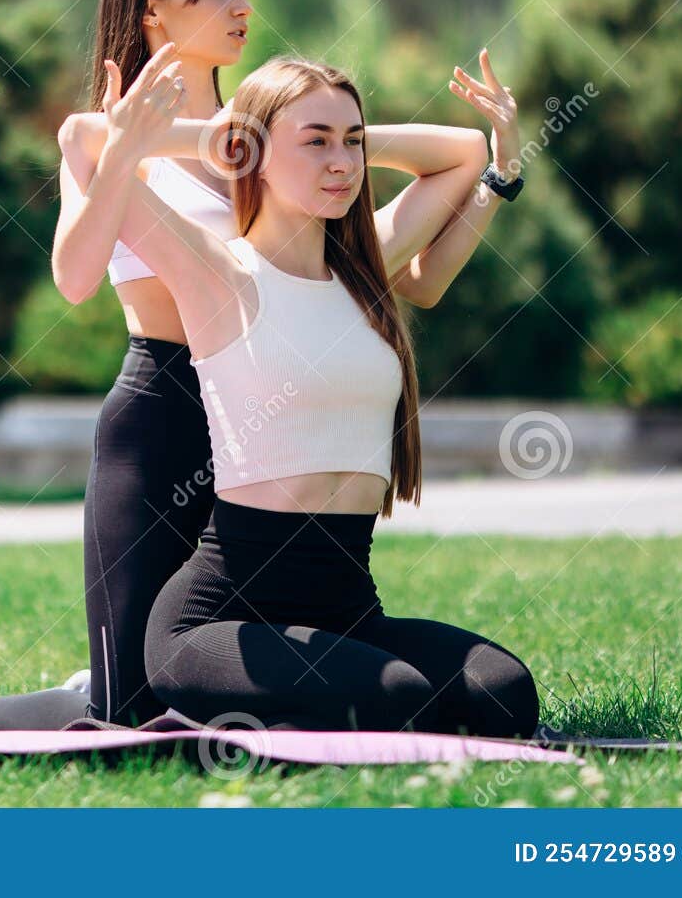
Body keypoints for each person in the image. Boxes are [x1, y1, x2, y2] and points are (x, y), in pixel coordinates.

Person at [0, 0, 523, 735]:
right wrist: (183, 139)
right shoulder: (117, 141)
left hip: (269, 417)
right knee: (131, 712)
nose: (239, 3)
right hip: (167, 418)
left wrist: (306, 133)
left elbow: (410, 261)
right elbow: (75, 277)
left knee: (259, 672)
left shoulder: (274, 136)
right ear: (152, 10)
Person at [84, 53, 539, 735]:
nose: (345, 162)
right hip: (218, 620)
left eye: (352, 142)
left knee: (503, 694)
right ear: (253, 155)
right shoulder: (217, 270)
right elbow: (85, 143)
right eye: (317, 142)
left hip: (346, 605)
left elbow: (465, 153)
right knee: (398, 700)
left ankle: (302, 696)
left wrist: (333, 133)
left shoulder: (362, 269)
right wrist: (237, 137)